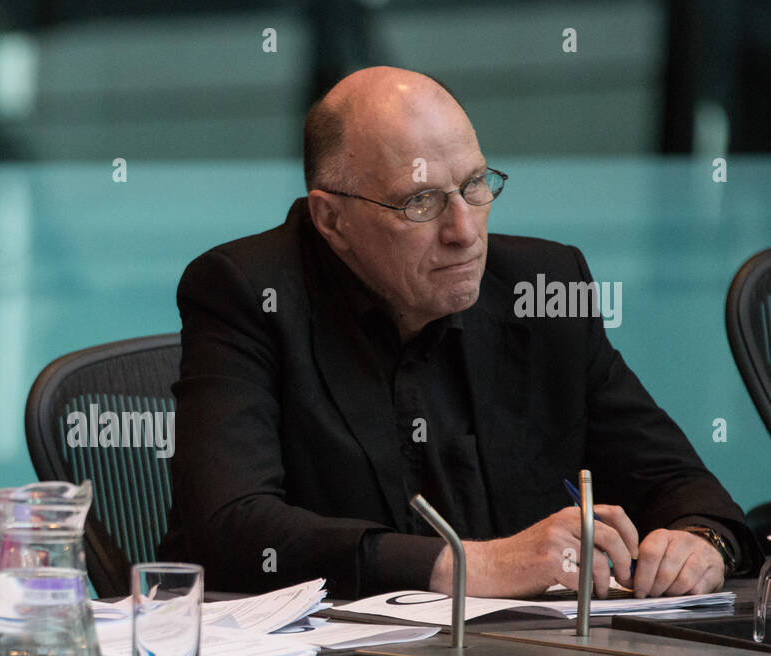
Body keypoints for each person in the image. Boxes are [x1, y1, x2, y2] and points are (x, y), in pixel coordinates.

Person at [161, 66, 758, 600]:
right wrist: (471, 565)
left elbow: (678, 483)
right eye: (421, 202)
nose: (465, 231)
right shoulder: (246, 292)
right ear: (332, 219)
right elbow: (231, 528)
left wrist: (700, 543)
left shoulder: (544, 289)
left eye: (476, 186)